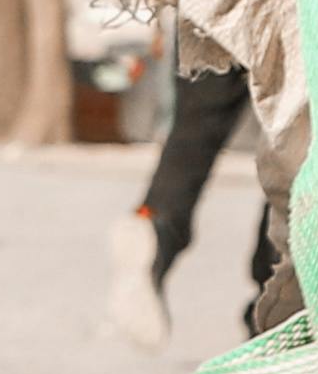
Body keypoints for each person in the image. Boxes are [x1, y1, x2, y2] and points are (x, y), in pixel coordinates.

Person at [104, 52, 251, 346]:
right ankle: (277, 300)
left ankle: (158, 216)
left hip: (204, 13)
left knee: (200, 109)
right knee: (294, 142)